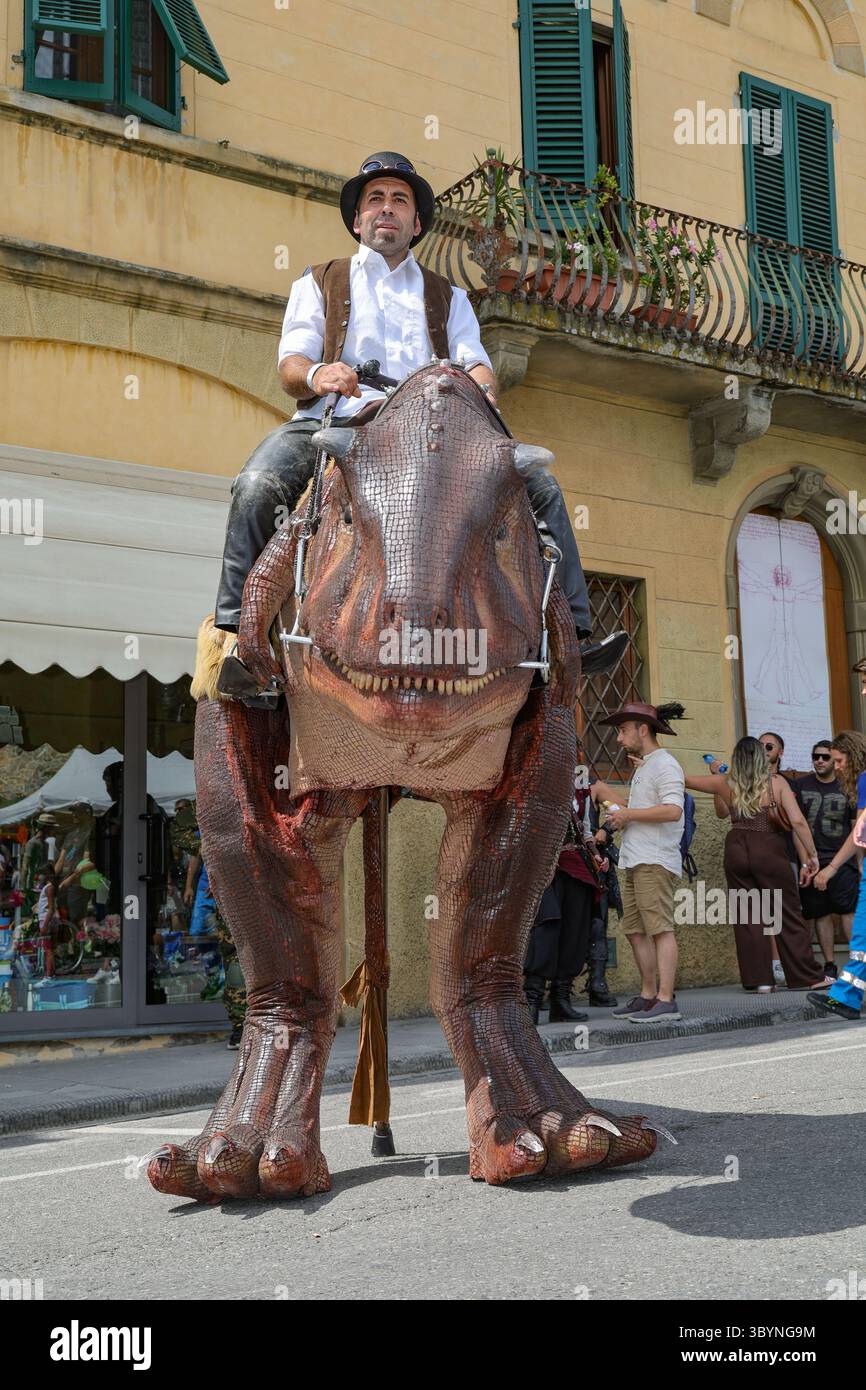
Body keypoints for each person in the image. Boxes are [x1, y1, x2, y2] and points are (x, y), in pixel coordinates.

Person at [213, 150, 613, 697]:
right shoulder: (319, 280)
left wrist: (480, 387)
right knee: (258, 485)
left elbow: (477, 364)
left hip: (431, 437)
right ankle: (237, 642)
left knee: (541, 485)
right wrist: (321, 372)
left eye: (399, 200)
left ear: (416, 222)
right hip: (338, 424)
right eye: (374, 199)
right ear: (357, 219)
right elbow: (290, 368)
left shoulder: (449, 298)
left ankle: (576, 639)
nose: (386, 209)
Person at [684, 738, 829, 992]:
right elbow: (798, 822)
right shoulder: (776, 783)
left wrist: (650, 764)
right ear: (761, 759)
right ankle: (806, 977)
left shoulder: (724, 781)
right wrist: (812, 855)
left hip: (736, 847)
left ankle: (760, 980)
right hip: (768, 848)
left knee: (747, 916)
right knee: (786, 913)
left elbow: (683, 780)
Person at [591, 702, 686, 1023]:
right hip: (635, 859)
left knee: (660, 929)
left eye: (622, 730)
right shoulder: (646, 766)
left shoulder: (665, 765)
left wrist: (627, 814)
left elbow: (674, 810)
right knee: (634, 930)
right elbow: (643, 808)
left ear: (642, 730)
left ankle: (666, 999)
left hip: (655, 860)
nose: (618, 738)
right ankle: (648, 996)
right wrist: (620, 808)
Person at [809, 668, 866, 1020]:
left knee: (861, 938)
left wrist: (831, 869)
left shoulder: (864, 780)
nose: (837, 767)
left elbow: (861, 832)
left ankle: (845, 997)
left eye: (840, 761)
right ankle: (847, 996)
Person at [523, 760, 597, 1024]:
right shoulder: (533, 775)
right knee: (547, 927)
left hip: (576, 865)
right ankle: (531, 999)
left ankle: (560, 1000)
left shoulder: (581, 786)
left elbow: (586, 829)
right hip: (542, 865)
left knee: (574, 931)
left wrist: (596, 854)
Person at [795, 740, 858, 978]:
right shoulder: (801, 785)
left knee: (847, 911)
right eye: (815, 756)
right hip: (813, 860)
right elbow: (795, 827)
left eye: (824, 757)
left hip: (841, 859)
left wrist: (856, 862)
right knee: (820, 913)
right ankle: (829, 963)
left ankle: (856, 963)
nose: (819, 760)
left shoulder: (847, 786)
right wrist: (805, 861)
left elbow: (856, 828)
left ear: (834, 760)